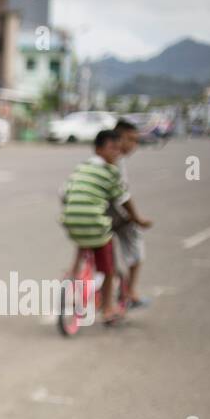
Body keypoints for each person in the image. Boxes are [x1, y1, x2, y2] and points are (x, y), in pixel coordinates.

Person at [60, 129, 142, 324]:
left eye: (118, 149)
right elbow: (123, 199)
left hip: (70, 219)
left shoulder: (82, 167)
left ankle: (72, 275)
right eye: (112, 148)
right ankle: (107, 309)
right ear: (98, 149)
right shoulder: (110, 172)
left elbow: (63, 193)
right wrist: (136, 219)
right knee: (108, 269)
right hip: (95, 224)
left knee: (83, 240)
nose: (116, 153)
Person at [112, 119, 154, 309]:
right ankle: (131, 293)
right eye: (131, 139)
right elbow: (122, 197)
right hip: (109, 213)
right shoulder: (115, 159)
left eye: (136, 140)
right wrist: (137, 219)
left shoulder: (103, 154)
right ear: (119, 137)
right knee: (135, 237)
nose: (134, 145)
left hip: (87, 212)